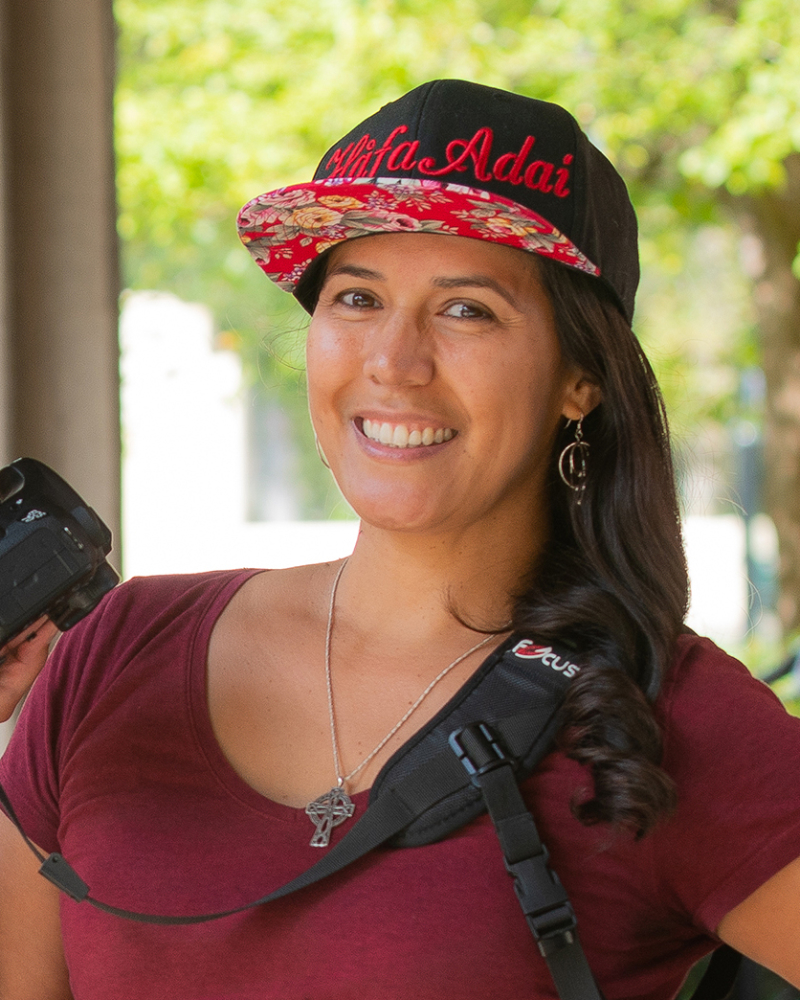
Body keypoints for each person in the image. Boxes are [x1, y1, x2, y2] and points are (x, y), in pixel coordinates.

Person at [0, 79, 799, 1000]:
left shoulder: (659, 717)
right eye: (357, 298)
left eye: (467, 310)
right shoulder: (118, 648)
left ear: (583, 377)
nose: (393, 360)